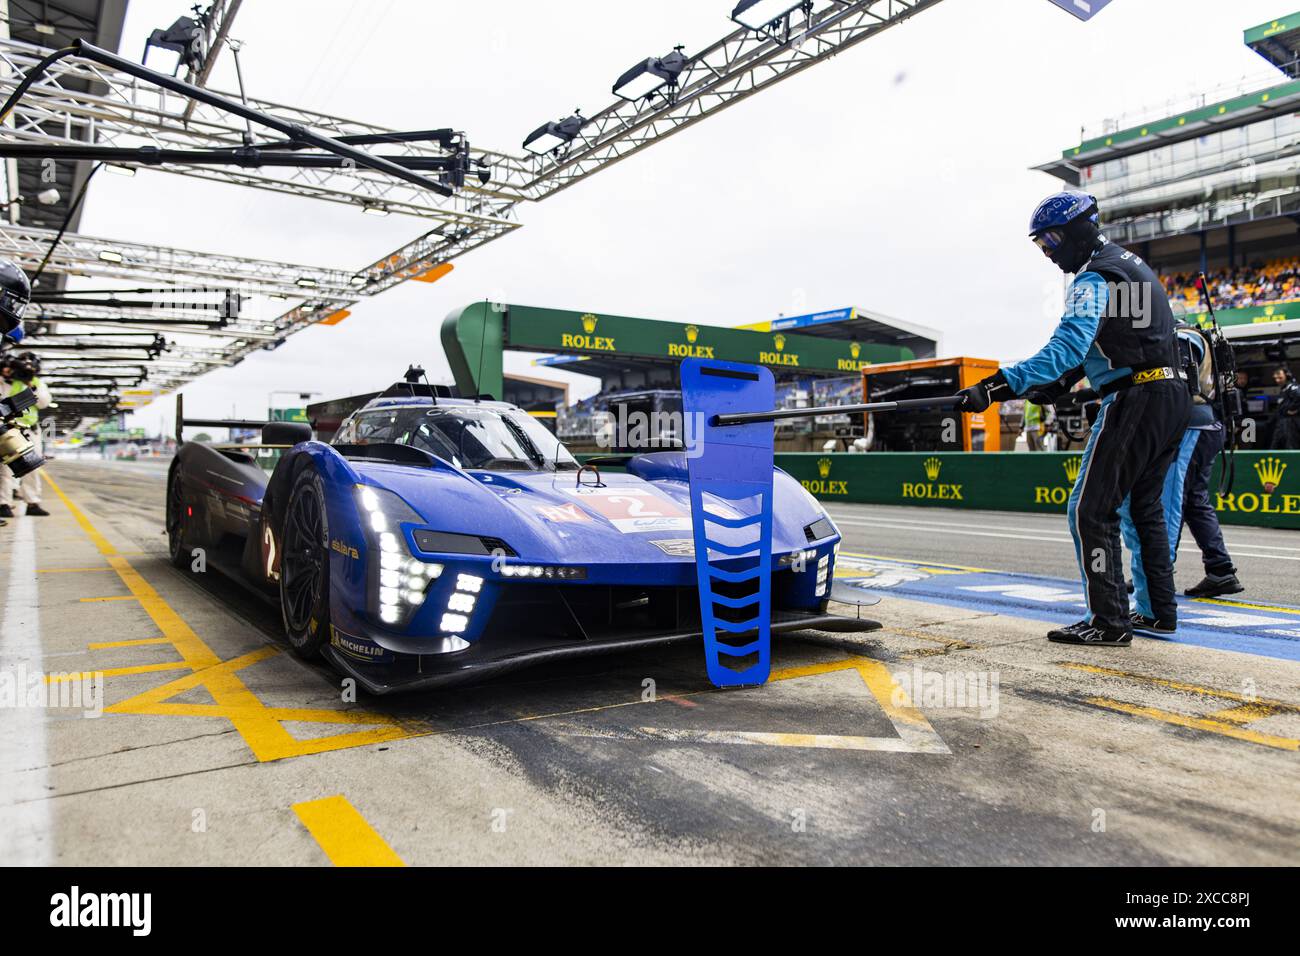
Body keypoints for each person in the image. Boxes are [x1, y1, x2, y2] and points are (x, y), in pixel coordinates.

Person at [958, 191, 1190, 646]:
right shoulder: (1130, 266)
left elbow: (1065, 348)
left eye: (1051, 239)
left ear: (1078, 229)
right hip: (1172, 396)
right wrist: (1063, 384)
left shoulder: (1093, 279)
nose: (1047, 252)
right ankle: (1157, 611)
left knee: (1089, 510)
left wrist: (995, 386)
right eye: (1039, 244)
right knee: (1143, 510)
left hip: (1134, 398)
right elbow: (1123, 336)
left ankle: (1107, 620)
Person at [0, 351, 51, 517]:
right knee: (6, 470)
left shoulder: (37, 383)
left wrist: (30, 384)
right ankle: (3, 503)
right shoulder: (5, 382)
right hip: (11, 429)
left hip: (31, 430)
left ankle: (33, 503)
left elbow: (43, 403)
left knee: (32, 468)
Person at [1270, 366, 1300, 449]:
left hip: (1290, 423)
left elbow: (1299, 397)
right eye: (1275, 378)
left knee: (1291, 447)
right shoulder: (1284, 389)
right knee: (1274, 447)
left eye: (1280, 377)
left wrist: (1292, 410)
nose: (1277, 380)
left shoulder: (1293, 386)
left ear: (1287, 375)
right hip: (1281, 422)